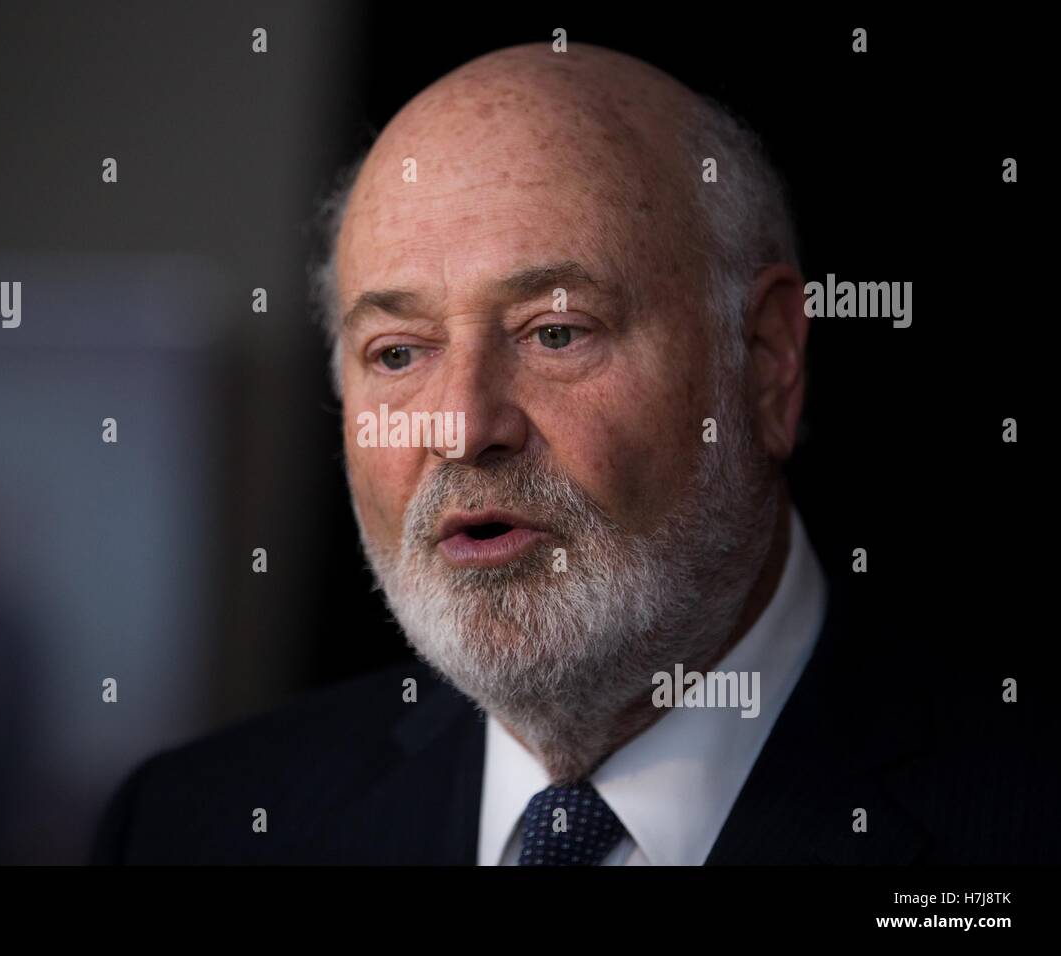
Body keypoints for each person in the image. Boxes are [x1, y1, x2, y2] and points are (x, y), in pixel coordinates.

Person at [92, 43, 1046, 865]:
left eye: (556, 333)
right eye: (398, 354)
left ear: (764, 366)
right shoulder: (191, 827)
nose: (463, 428)